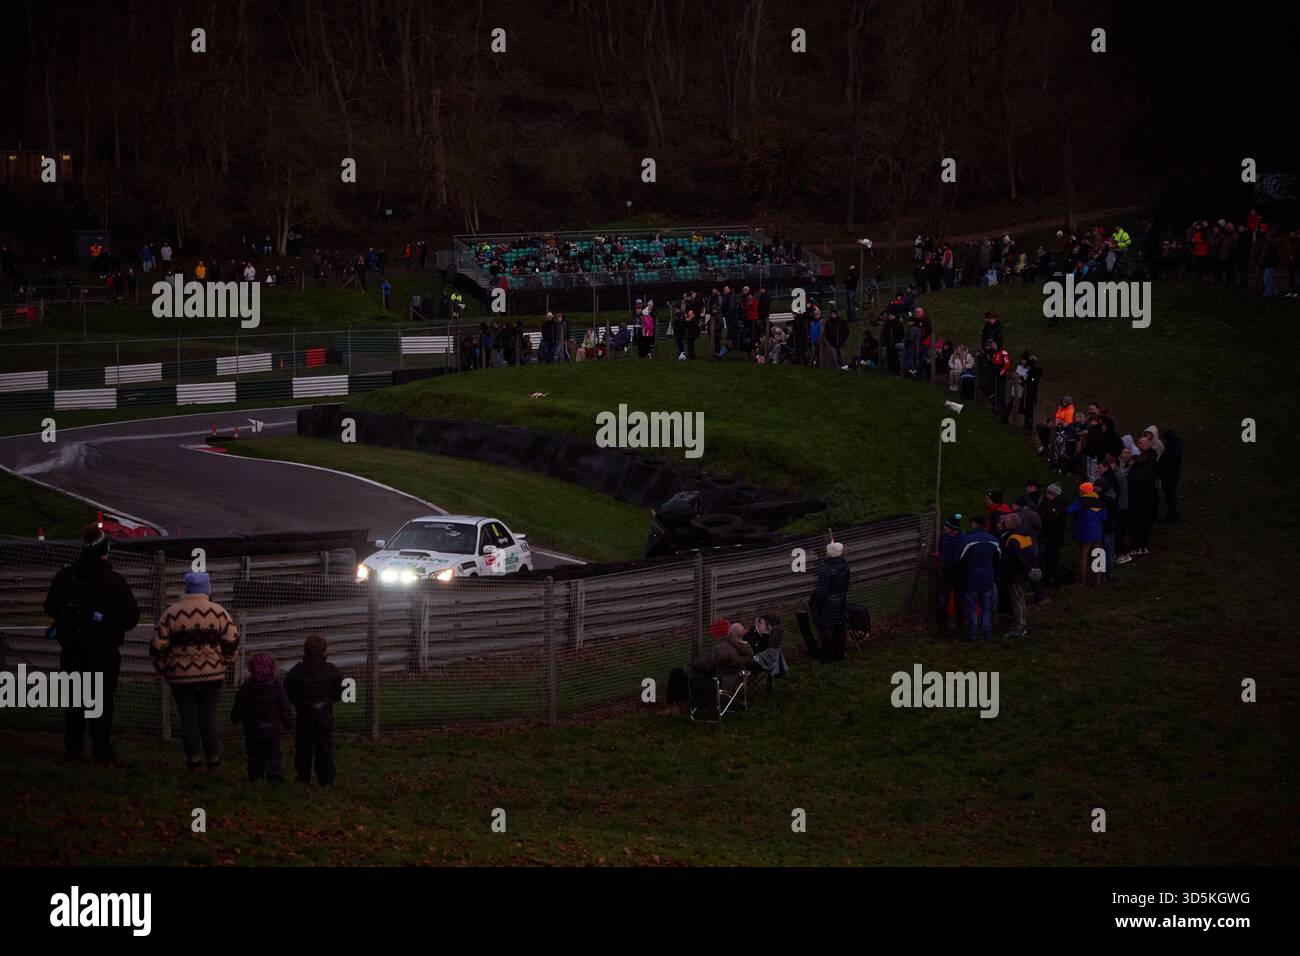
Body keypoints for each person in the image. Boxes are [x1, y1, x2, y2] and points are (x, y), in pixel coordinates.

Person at [42, 525, 140, 765]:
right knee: (103, 703)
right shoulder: (115, 581)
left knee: (74, 702)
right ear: (104, 551)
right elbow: (131, 617)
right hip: (104, 652)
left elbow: (50, 606)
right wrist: (111, 627)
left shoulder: (65, 577)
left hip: (73, 650)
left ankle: (74, 748)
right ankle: (101, 750)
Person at [151, 571, 240, 771]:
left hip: (180, 677)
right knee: (208, 718)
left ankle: (193, 761)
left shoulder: (171, 613)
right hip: (212, 674)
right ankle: (213, 760)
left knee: (188, 719)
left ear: (187, 588)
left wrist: (165, 668)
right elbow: (232, 640)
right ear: (207, 589)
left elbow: (158, 646)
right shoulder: (219, 612)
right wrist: (224, 661)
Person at [286, 634, 345, 786]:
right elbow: (344, 692)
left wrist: (300, 703)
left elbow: (288, 692)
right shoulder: (332, 670)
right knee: (324, 748)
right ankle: (326, 781)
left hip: (304, 715)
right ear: (325, 652)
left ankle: (303, 778)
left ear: (304, 650)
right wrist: (329, 701)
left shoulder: (296, 671)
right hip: (324, 715)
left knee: (303, 747)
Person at [230, 652, 294, 783]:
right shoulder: (277, 687)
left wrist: (235, 718)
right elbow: (284, 708)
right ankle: (274, 777)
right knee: (273, 753)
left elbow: (239, 707)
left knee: (254, 754)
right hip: (271, 728)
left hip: (252, 728)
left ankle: (255, 777)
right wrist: (289, 725)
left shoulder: (246, 689)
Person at [960, 515, 1000, 641]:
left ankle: (973, 635)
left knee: (972, 607)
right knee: (986, 607)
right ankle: (987, 634)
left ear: (975, 524)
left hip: (972, 579)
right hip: (987, 579)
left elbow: (959, 559)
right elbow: (998, 558)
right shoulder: (993, 540)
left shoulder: (968, 540)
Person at [809, 541, 850, 662]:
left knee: (826, 631)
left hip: (828, 604)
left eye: (827, 551)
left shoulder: (826, 570)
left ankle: (827, 657)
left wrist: (815, 606)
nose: (826, 553)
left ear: (830, 554)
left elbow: (822, 591)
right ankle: (839, 654)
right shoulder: (845, 567)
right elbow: (846, 585)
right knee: (839, 628)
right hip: (841, 601)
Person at [999, 513, 1036, 637]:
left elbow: (1017, 558)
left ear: (1010, 524)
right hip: (1023, 574)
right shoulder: (1026, 535)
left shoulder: (1013, 539)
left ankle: (1019, 627)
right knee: (1021, 600)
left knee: (1016, 601)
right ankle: (1022, 624)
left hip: (1014, 575)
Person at [1066, 482, 1107, 586]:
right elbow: (1104, 517)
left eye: (1080, 490)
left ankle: (1081, 580)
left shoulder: (1081, 502)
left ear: (1083, 491)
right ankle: (1097, 580)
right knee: (1096, 556)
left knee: (1083, 557)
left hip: (1084, 533)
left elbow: (1068, 510)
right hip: (1097, 533)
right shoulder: (1100, 502)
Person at [1126, 434, 1159, 556]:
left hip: (1141, 495)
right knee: (1144, 522)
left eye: (1141, 443)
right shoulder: (1149, 459)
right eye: (1138, 443)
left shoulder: (1145, 461)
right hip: (1147, 494)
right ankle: (1143, 546)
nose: (1138, 445)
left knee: (1138, 522)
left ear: (1147, 444)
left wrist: (1132, 468)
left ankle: (1139, 546)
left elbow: (1138, 477)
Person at [936, 513, 964, 633]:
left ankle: (960, 623)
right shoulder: (944, 536)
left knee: (959, 599)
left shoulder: (963, 538)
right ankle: (942, 625)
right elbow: (940, 549)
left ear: (953, 528)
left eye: (947, 526)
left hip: (958, 573)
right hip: (945, 572)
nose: (944, 528)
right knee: (943, 599)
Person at [1039, 483, 1067, 586]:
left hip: (1053, 537)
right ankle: (1053, 580)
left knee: (1051, 560)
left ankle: (1054, 581)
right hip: (1056, 537)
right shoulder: (1060, 504)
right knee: (1052, 559)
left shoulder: (1054, 507)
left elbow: (1050, 522)